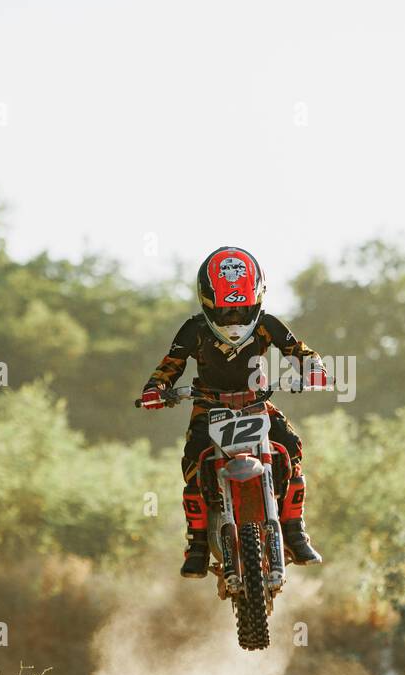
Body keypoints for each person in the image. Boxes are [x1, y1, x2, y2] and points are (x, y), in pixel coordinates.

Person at [139, 246, 326, 577]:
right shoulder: (194, 329)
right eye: (225, 312)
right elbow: (171, 364)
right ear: (207, 303)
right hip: (208, 406)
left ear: (258, 298)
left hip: (256, 402)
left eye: (241, 311)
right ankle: (196, 544)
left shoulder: (267, 324)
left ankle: (295, 530)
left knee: (291, 449)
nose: (234, 320)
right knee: (193, 463)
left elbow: (297, 350)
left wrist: (313, 368)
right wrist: (155, 389)